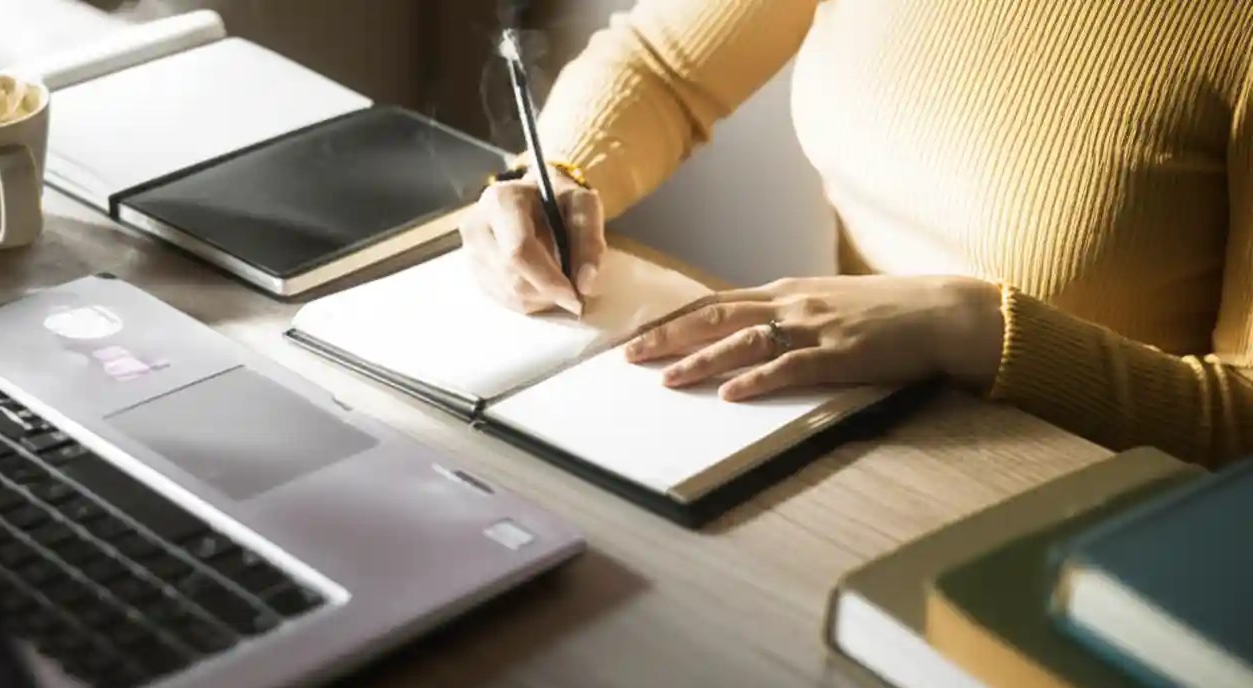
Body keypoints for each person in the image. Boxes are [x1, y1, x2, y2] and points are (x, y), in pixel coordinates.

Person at [458, 0, 1253, 468]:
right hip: (837, 433)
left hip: (1082, 517)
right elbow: (662, 65)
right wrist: (555, 170)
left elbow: (1241, 418)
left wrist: (970, 325)